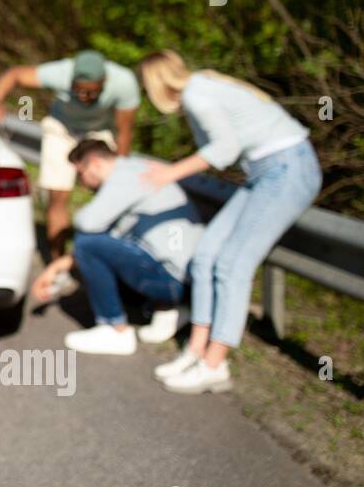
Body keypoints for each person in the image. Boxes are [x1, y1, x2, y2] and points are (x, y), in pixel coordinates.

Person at [137, 50, 322, 395]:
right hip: (264, 171)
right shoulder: (201, 87)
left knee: (232, 264)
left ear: (155, 82)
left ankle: (214, 364)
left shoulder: (196, 95)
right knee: (206, 255)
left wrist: (169, 173)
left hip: (287, 168)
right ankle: (195, 350)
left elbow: (223, 150)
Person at [32, 139, 204, 355]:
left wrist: (58, 265)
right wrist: (56, 267)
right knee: (100, 246)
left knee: (87, 242)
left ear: (94, 163)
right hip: (184, 279)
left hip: (172, 279)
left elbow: (87, 222)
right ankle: (168, 308)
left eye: (80, 175)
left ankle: (114, 328)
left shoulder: (124, 177)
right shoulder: (135, 167)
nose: (82, 184)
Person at [0, 49, 140, 258]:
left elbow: (124, 131)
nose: (85, 97)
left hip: (98, 130)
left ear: (104, 81)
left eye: (92, 92)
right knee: (58, 195)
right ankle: (57, 259)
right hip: (62, 128)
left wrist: (121, 172)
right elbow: (15, 74)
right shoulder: (60, 72)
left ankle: (103, 254)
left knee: (110, 191)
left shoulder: (124, 82)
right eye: (79, 91)